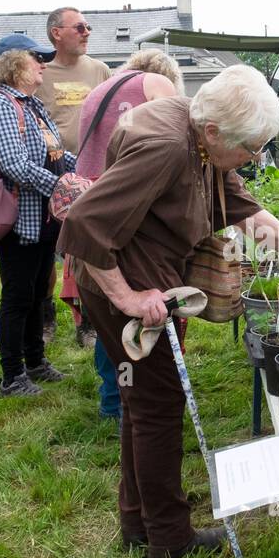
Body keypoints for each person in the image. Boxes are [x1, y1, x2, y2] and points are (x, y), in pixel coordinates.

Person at [59, 65, 279, 558]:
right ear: (214, 132)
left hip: (149, 277)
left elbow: (249, 214)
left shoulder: (200, 133)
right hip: (126, 285)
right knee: (159, 405)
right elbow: (86, 223)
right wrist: (127, 297)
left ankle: (138, 523)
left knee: (142, 402)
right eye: (250, 148)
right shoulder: (168, 146)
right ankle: (168, 541)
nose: (254, 158)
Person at [73, 49, 184, 426]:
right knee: (133, 313)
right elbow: (177, 137)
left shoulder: (99, 90)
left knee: (106, 313)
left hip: (91, 209)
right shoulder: (156, 85)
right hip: (129, 214)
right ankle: (134, 406)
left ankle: (111, 399)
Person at [0, 33, 79, 396]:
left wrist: (85, 170)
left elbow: (56, 155)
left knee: (39, 292)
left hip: (44, 219)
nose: (44, 63)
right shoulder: (0, 105)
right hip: (19, 220)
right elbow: (14, 165)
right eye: (36, 57)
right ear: (14, 63)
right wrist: (64, 189)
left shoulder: (32, 106)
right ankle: (12, 376)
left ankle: (35, 362)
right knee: (18, 296)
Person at [36, 6, 112, 345]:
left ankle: (89, 322)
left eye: (88, 26)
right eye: (79, 27)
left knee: (87, 251)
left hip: (93, 175)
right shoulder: (40, 73)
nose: (87, 32)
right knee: (47, 252)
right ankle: (45, 315)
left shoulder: (100, 70)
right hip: (48, 177)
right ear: (56, 33)